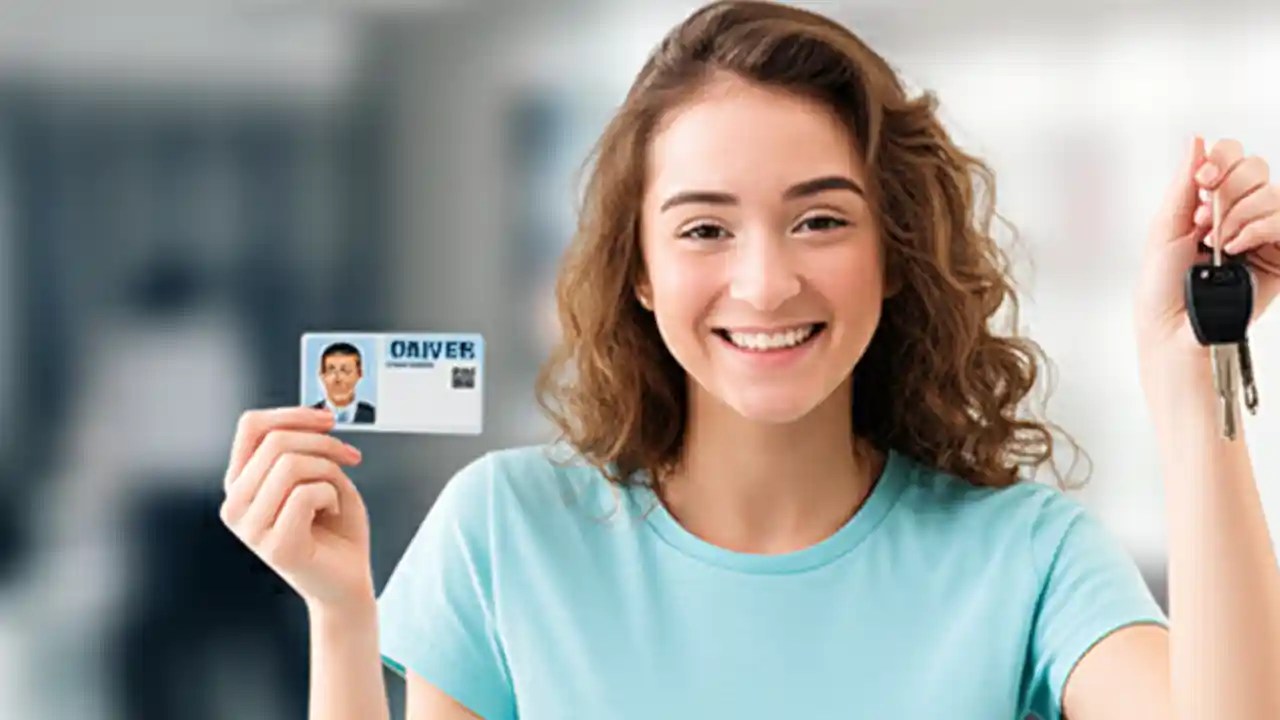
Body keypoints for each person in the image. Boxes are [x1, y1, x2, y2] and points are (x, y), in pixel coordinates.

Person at [219, 2, 1280, 719]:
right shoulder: (503, 533)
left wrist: (1194, 396)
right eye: (702, 229)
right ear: (636, 270)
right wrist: (340, 618)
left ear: (894, 252)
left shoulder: (1029, 560)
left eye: (819, 220)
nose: (764, 284)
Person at [312, 341, 376, 424]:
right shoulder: (308, 416)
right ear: (321, 374)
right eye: (331, 370)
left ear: (359, 374)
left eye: (346, 371)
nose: (338, 378)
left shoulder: (374, 415)